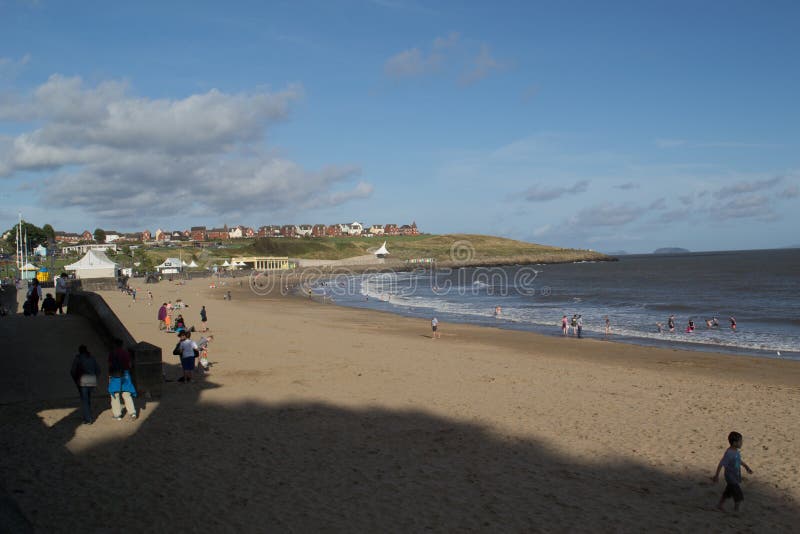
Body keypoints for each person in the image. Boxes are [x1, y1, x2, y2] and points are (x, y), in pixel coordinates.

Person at [712, 431, 753, 512]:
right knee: (739, 496)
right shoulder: (729, 453)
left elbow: (739, 460)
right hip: (730, 477)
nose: (742, 443)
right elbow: (721, 463)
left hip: (735, 475)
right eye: (740, 441)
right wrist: (716, 475)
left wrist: (746, 467)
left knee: (728, 492)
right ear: (734, 443)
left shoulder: (736, 451)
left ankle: (719, 505)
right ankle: (736, 511)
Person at [70, 345, 100, 425]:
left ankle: (88, 418)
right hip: (91, 380)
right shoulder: (91, 358)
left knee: (84, 400)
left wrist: (76, 380)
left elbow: (73, 371)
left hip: (82, 381)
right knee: (88, 399)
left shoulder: (78, 358)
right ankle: (87, 415)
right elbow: (98, 370)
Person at [108, 338, 137, 420]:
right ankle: (132, 413)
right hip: (125, 374)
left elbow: (110, 365)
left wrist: (109, 376)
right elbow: (129, 364)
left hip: (115, 375)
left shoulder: (112, 353)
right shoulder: (126, 353)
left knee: (115, 395)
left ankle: (118, 415)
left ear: (115, 344)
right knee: (127, 394)